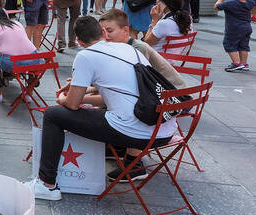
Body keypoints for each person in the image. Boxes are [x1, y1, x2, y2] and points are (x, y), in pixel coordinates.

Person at [30, 15, 179, 200]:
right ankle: (119, 155)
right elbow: (123, 89)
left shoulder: (85, 55)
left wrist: (62, 98)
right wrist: (83, 87)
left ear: (78, 40)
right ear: (103, 32)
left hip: (136, 134)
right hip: (164, 131)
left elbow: (73, 104)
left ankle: (47, 184)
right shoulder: (130, 49)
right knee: (106, 111)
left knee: (53, 115)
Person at [0, 6, 38, 101]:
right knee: (27, 63)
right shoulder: (16, 23)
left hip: (12, 62)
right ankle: (29, 94)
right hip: (35, 59)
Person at [214, 0, 256, 71]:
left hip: (234, 28)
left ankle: (236, 63)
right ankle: (244, 64)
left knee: (229, 44)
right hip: (247, 28)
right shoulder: (249, 3)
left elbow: (216, 7)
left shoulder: (229, 4)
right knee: (244, 45)